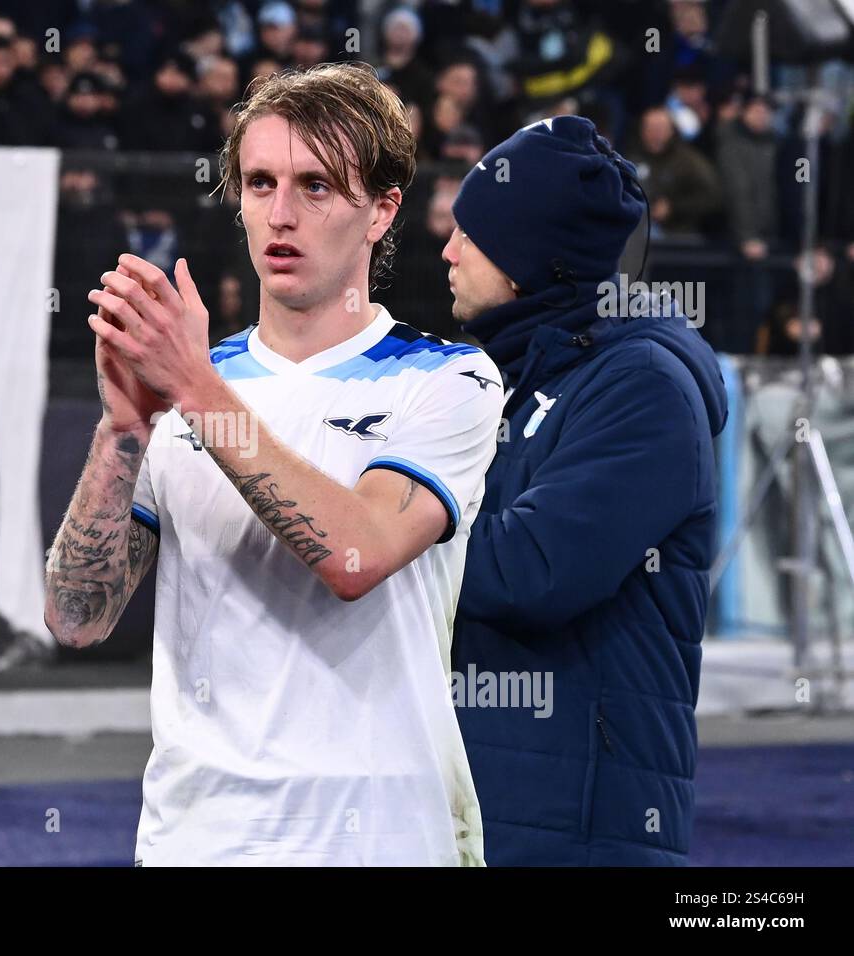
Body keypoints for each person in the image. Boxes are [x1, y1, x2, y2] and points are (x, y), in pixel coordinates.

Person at [44, 62, 503, 866]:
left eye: (317, 187)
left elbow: (353, 556)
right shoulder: (192, 392)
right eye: (259, 183)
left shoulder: (447, 379)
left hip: (381, 840)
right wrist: (122, 429)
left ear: (382, 211)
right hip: (196, 841)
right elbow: (77, 619)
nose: (280, 214)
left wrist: (192, 388)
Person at [445, 115, 728, 865]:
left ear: (531, 254)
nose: (448, 252)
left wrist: (373, 529)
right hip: (501, 810)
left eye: (471, 235)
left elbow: (530, 571)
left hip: (587, 831)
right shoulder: (520, 372)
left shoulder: (646, 386)